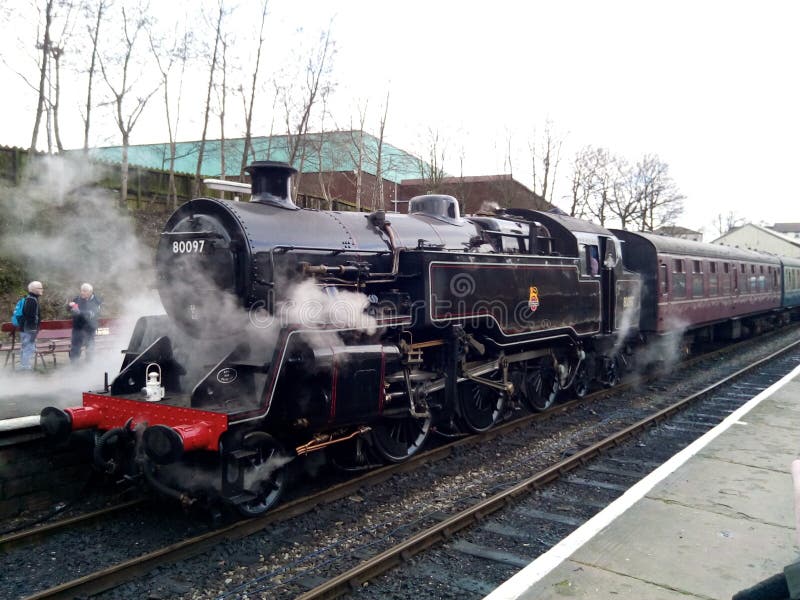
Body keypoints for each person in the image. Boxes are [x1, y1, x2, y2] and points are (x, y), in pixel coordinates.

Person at [67, 283, 102, 363]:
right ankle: (74, 365)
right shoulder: (77, 299)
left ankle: (89, 365)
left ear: (90, 292)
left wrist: (79, 312)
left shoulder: (96, 301)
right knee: (75, 347)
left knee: (90, 347)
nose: (82, 292)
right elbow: (69, 309)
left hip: (89, 328)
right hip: (77, 327)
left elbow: (91, 314)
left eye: (85, 291)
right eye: (81, 290)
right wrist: (69, 306)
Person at [18, 281, 43, 371]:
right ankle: (25, 368)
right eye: (40, 288)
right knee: (29, 348)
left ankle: (23, 366)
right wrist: (33, 331)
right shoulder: (32, 300)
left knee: (26, 347)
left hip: (25, 329)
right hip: (28, 329)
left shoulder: (30, 298)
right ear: (34, 289)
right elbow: (30, 317)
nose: (42, 290)